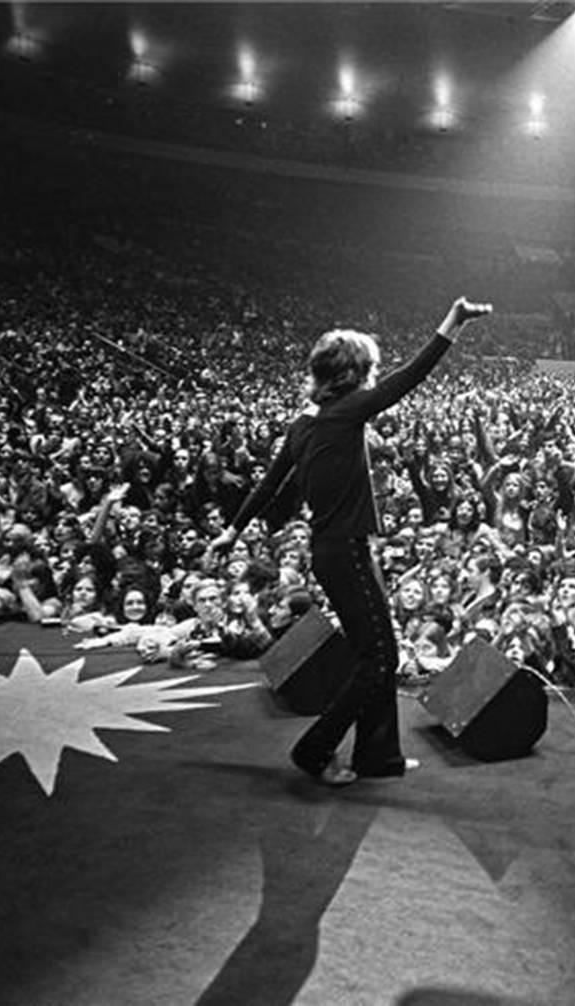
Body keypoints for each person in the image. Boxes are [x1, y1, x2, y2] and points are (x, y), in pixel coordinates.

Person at [211, 296, 492, 787]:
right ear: (353, 375)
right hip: (346, 551)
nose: (374, 377)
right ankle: (315, 750)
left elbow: (268, 485)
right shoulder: (345, 415)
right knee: (381, 657)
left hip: (337, 551)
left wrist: (231, 530)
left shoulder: (304, 425)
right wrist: (453, 321)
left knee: (377, 653)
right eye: (369, 370)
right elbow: (412, 376)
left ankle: (377, 757)